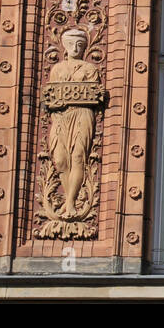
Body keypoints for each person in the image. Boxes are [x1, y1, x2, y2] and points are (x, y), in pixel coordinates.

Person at [47, 28, 99, 217]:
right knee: (60, 159)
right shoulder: (57, 69)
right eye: (70, 44)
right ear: (64, 46)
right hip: (60, 116)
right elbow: (51, 97)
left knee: (78, 156)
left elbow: (94, 94)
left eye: (79, 44)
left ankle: (70, 203)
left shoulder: (89, 69)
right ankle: (69, 198)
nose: (75, 48)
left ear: (85, 47)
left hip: (82, 114)